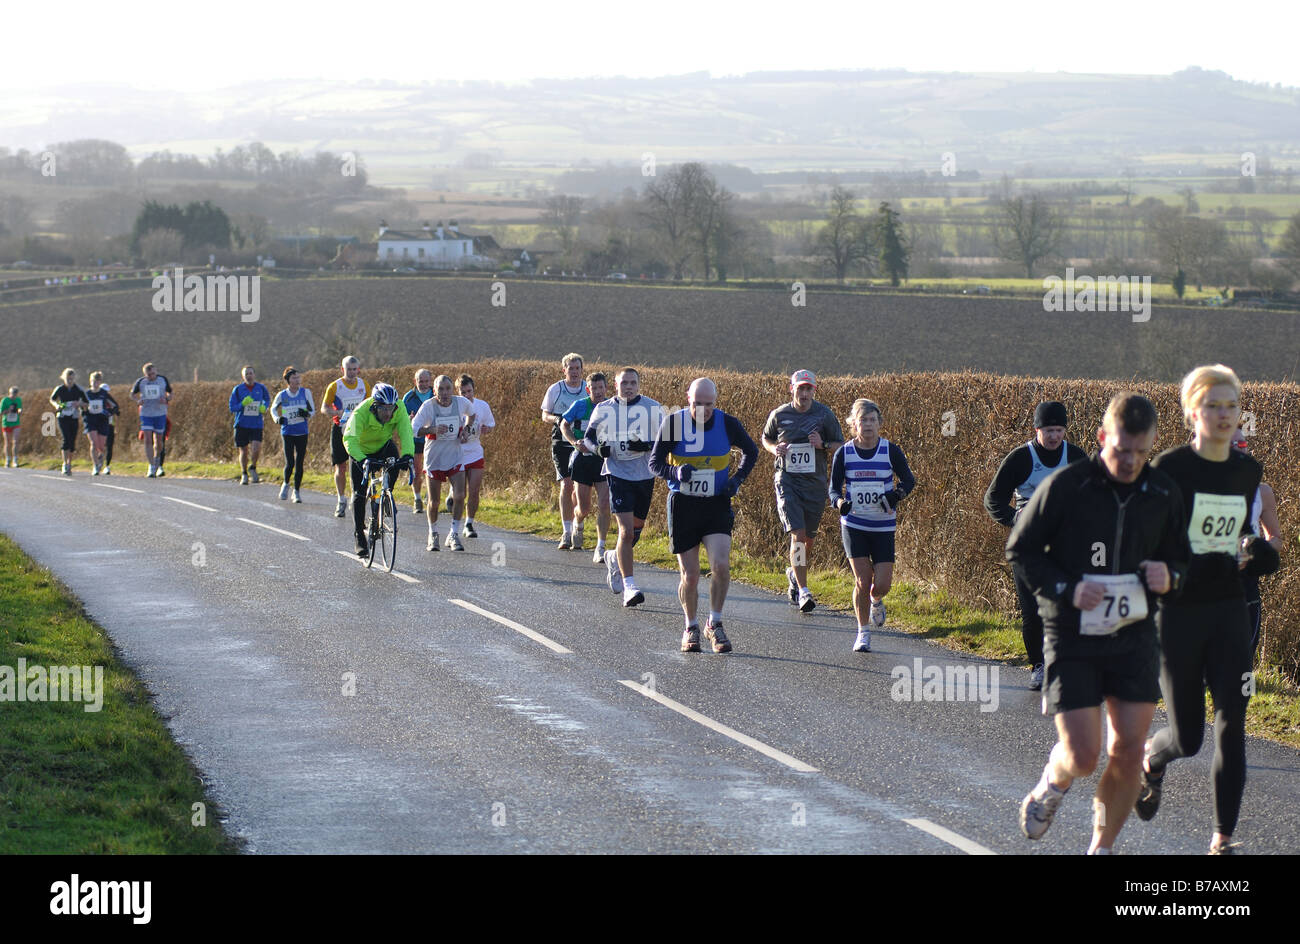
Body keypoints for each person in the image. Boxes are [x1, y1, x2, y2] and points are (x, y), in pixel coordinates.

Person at [1009, 392, 1190, 855]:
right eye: (1120, 450)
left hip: (1133, 636)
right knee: (1084, 755)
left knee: (1129, 750)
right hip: (1073, 633)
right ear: (1101, 437)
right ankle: (1054, 781)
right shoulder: (1068, 487)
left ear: (1151, 446)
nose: (1129, 461)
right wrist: (1068, 590)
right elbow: (1022, 550)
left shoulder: (1163, 494)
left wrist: (1169, 575)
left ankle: (1101, 848)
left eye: (1140, 452)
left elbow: (1183, 560)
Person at [1136, 365, 1281, 855]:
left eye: (1232, 407)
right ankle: (1152, 763)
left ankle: (1222, 839)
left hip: (1228, 609)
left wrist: (1260, 554)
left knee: (1233, 720)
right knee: (1188, 737)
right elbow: (1144, 540)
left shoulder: (1248, 471)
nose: (1224, 416)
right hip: (1178, 614)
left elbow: (1247, 537)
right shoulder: (1170, 470)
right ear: (1192, 413)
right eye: (1213, 406)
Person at [984, 401, 1089, 690]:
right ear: (1036, 429)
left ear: (1065, 430)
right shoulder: (1021, 459)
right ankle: (1038, 665)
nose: (1054, 436)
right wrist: (1013, 517)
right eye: (1048, 430)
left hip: (1065, 547)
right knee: (1032, 611)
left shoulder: (1077, 457)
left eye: (1058, 430)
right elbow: (992, 499)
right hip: (1028, 547)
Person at [650, 377, 758, 653]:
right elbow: (655, 463)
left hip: (715, 503)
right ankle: (690, 626)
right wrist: (675, 472)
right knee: (691, 574)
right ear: (688, 399)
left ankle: (715, 623)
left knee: (721, 566)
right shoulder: (674, 424)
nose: (702, 410)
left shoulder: (727, 423)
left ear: (715, 402)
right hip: (683, 505)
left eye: (708, 404)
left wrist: (737, 480)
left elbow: (751, 450)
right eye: (697, 403)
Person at [829, 399, 916, 653]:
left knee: (883, 584)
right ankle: (863, 632)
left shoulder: (890, 451)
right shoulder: (843, 453)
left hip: (883, 526)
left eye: (871, 420)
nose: (867, 425)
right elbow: (833, 488)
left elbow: (909, 480)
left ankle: (876, 600)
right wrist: (839, 502)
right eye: (862, 420)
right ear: (853, 424)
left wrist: (896, 495)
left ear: (879, 424)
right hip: (854, 524)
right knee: (862, 580)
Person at [762, 369, 844, 613]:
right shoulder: (779, 414)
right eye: (801, 388)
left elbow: (841, 444)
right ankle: (804, 591)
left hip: (815, 484)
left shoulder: (824, 415)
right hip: (787, 481)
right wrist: (775, 448)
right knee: (797, 535)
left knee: (807, 540)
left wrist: (823, 444)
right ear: (792, 389)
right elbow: (765, 438)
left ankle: (794, 574)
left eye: (809, 389)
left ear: (814, 391)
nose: (805, 393)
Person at [584, 367, 662, 607]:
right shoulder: (604, 409)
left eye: (632, 383)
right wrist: (598, 449)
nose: (628, 387)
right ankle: (630, 587)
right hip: (617, 473)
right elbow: (589, 437)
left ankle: (613, 557)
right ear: (615, 386)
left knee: (635, 532)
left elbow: (666, 439)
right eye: (624, 383)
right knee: (626, 532)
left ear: (639, 385)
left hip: (644, 475)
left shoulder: (653, 408)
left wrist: (647, 445)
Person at [342, 383, 414, 558]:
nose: (388, 413)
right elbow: (349, 439)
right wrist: (363, 459)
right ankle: (359, 535)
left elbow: (406, 432)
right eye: (383, 409)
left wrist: (408, 455)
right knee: (359, 494)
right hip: (361, 449)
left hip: (383, 445)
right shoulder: (361, 412)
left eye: (391, 408)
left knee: (395, 460)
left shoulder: (400, 407)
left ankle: (386, 496)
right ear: (375, 406)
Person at [1230, 429, 1283, 657]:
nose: (1237, 449)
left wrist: (1256, 551)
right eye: (1230, 444)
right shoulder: (1193, 488)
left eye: (1242, 445)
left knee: (1242, 662)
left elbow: (1276, 539)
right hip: (1204, 578)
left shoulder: (1262, 492)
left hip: (1245, 580)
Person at [411, 375, 474, 552]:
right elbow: (414, 429)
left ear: (452, 390)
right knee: (435, 501)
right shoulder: (428, 406)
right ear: (435, 391)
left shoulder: (460, 402)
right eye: (441, 390)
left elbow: (472, 414)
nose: (445, 393)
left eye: (448, 389)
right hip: (435, 458)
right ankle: (433, 534)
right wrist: (431, 429)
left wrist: (467, 430)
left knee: (460, 495)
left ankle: (454, 534)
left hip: (455, 456)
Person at [561, 371, 612, 560]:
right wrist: (574, 442)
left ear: (606, 388)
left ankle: (600, 547)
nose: (598, 392)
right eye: (594, 388)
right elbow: (563, 425)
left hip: (603, 460)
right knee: (584, 508)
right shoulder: (580, 405)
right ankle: (578, 522)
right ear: (588, 389)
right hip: (583, 459)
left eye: (601, 388)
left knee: (605, 504)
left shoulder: (612, 407)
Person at [540, 353, 587, 549]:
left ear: (582, 371)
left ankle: (578, 523)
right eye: (571, 368)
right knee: (566, 486)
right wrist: (557, 420)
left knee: (580, 489)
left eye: (577, 368)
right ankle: (566, 533)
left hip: (584, 444)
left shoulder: (588, 388)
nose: (574, 372)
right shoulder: (556, 389)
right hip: (561, 443)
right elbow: (544, 415)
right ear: (564, 370)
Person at [323, 356, 367, 517]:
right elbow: (324, 408)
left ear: (358, 369)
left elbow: (369, 406)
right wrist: (336, 412)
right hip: (340, 428)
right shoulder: (335, 386)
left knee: (357, 465)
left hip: (357, 429)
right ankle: (341, 499)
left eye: (355, 369)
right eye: (349, 369)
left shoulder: (363, 385)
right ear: (343, 370)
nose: (352, 372)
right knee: (340, 467)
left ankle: (355, 496)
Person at [455, 374, 495, 538]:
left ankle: (469, 524)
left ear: (473, 390)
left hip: (475, 452)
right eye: (463, 392)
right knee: (460, 494)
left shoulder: (482, 406)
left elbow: (491, 424)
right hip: (457, 454)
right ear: (458, 392)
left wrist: (487, 428)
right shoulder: (453, 407)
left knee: (474, 490)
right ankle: (455, 525)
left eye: (469, 391)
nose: (466, 395)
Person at [270, 366, 314, 502]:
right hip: (288, 431)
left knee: (300, 462)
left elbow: (313, 411)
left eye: (298, 377)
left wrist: (306, 413)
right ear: (288, 380)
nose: (297, 380)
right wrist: (277, 419)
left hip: (302, 431)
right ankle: (285, 484)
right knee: (290, 462)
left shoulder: (306, 393)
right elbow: (272, 409)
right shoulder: (282, 395)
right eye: (294, 378)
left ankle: (296, 491)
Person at [229, 365, 271, 485]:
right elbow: (232, 407)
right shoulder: (237, 389)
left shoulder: (261, 388)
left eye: (251, 373)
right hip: (241, 423)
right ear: (243, 376)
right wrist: (242, 404)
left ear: (254, 375)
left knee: (256, 448)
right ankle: (244, 473)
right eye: (246, 374)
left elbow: (267, 399)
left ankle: (252, 467)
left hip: (256, 424)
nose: (249, 376)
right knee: (243, 450)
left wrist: (265, 406)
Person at [130, 362, 172, 478]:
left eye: (153, 373)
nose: (151, 376)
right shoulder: (141, 382)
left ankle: (157, 459)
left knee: (158, 442)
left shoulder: (163, 380)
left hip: (160, 413)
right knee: (147, 439)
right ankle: (151, 466)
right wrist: (137, 401)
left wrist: (167, 399)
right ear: (145, 374)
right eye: (149, 375)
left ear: (156, 372)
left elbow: (171, 393)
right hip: (146, 413)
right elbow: (132, 394)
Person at [402, 369, 434, 514]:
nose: (424, 384)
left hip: (433, 438)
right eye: (421, 381)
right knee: (416, 468)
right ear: (415, 382)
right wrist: (408, 421)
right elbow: (401, 419)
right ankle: (417, 498)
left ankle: (430, 495)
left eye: (427, 381)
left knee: (431, 468)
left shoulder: (436, 394)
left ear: (431, 381)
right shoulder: (408, 398)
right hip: (415, 438)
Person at [49, 368, 88, 476]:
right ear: (64, 378)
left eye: (71, 378)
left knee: (72, 441)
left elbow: (86, 402)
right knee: (66, 439)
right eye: (67, 379)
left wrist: (78, 404)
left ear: (74, 378)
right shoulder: (60, 389)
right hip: (62, 416)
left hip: (74, 416)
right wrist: (57, 405)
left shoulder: (79, 389)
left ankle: (69, 463)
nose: (69, 381)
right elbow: (52, 399)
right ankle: (64, 464)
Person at [81, 371, 119, 476]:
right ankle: (95, 466)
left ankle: (100, 458)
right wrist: (84, 407)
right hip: (90, 420)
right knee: (93, 443)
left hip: (102, 421)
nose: (95, 383)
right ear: (90, 382)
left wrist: (109, 413)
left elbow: (115, 406)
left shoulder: (104, 393)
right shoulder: (86, 394)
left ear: (100, 382)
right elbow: (81, 406)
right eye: (93, 381)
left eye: (97, 381)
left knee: (101, 447)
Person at [99, 382, 118, 474]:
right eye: (103, 391)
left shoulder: (109, 398)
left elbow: (116, 407)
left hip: (110, 424)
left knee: (109, 445)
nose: (105, 393)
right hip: (98, 424)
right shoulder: (96, 397)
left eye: (106, 391)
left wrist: (111, 412)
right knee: (99, 445)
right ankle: (99, 462)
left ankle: (107, 465)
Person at [2, 386, 22, 467]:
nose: (14, 396)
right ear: (9, 393)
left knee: (16, 441)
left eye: (15, 394)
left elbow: (19, 409)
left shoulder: (18, 400)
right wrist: (8, 410)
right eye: (13, 394)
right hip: (6, 423)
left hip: (16, 423)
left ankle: (15, 460)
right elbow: (1, 412)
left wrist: (20, 411)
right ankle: (7, 459)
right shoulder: (5, 400)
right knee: (7, 442)